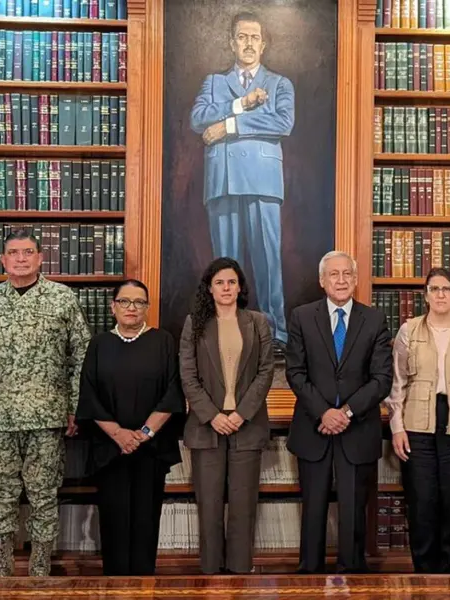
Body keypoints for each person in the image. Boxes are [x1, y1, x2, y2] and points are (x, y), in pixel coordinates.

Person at [0, 229, 91, 577]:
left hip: (47, 417)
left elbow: (80, 357)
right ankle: (1, 569)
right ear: (3, 260)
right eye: (13, 252)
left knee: (44, 496)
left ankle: (39, 569)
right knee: (1, 497)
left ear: (40, 258)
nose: (21, 258)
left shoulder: (62, 299)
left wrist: (74, 406)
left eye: (28, 252)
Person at [190, 11, 295, 353]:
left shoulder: (280, 83)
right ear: (231, 42)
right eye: (242, 37)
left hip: (263, 181)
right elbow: (198, 119)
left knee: (267, 258)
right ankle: (226, 330)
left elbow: (282, 122)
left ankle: (276, 334)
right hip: (223, 180)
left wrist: (229, 126)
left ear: (263, 44)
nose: (248, 44)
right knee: (225, 262)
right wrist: (242, 104)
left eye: (254, 38)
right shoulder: (214, 82)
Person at [285, 250, 393, 573]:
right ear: (322, 281)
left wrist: (345, 413)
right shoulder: (302, 317)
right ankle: (309, 578)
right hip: (313, 428)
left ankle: (352, 576)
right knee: (313, 509)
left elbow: (382, 379)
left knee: (353, 511)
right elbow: (295, 373)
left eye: (347, 274)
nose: (341, 280)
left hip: (357, 429)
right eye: (334, 274)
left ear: (356, 279)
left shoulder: (374, 320)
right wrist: (324, 413)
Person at [384, 267, 450, 573]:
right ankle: (423, 572)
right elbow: (398, 383)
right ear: (426, 294)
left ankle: (445, 572)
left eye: (447, 289)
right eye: (435, 289)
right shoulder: (409, 330)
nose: (441, 295)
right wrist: (397, 427)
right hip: (417, 425)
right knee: (421, 502)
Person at [76, 279, 185, 576]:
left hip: (151, 448)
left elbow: (173, 391)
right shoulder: (99, 344)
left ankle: (143, 586)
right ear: (113, 307)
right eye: (125, 301)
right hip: (110, 449)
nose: (131, 308)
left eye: (139, 302)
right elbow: (88, 394)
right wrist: (119, 435)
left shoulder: (163, 341)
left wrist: (144, 434)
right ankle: (114, 586)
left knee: (145, 519)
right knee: (113, 519)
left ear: (147, 308)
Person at [178, 257, 274, 574]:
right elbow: (188, 376)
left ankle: (239, 573)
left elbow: (265, 372)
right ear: (209, 287)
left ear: (240, 287)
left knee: (243, 506)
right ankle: (210, 573)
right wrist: (212, 415)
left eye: (232, 282)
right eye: (219, 282)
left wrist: (241, 413)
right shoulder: (195, 323)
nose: (226, 287)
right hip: (208, 428)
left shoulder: (258, 322)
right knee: (209, 505)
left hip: (246, 426)